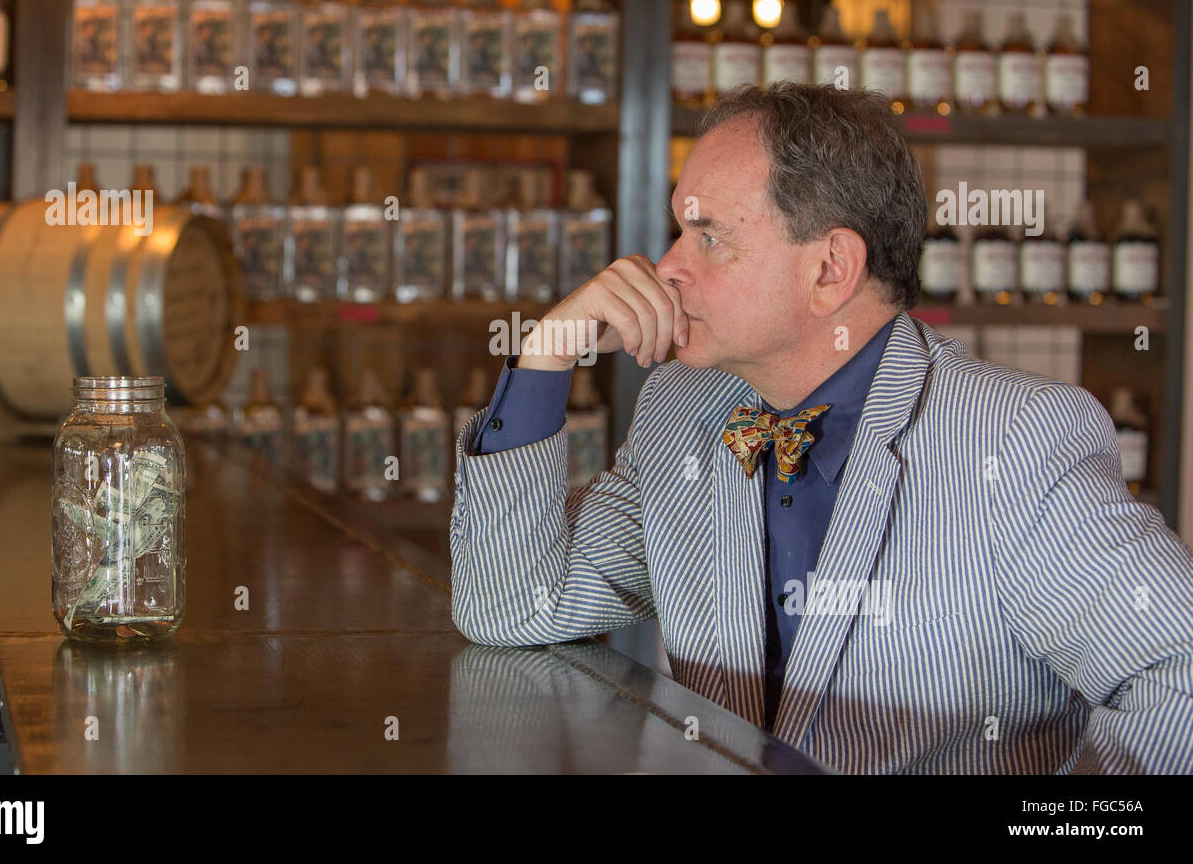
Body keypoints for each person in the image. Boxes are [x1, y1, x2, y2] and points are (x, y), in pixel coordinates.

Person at [448, 81, 1193, 774]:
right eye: (679, 228)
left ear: (831, 269)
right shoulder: (682, 408)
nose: (666, 267)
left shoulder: (1016, 437)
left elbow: (1177, 676)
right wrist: (544, 356)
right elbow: (514, 605)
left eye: (709, 236)